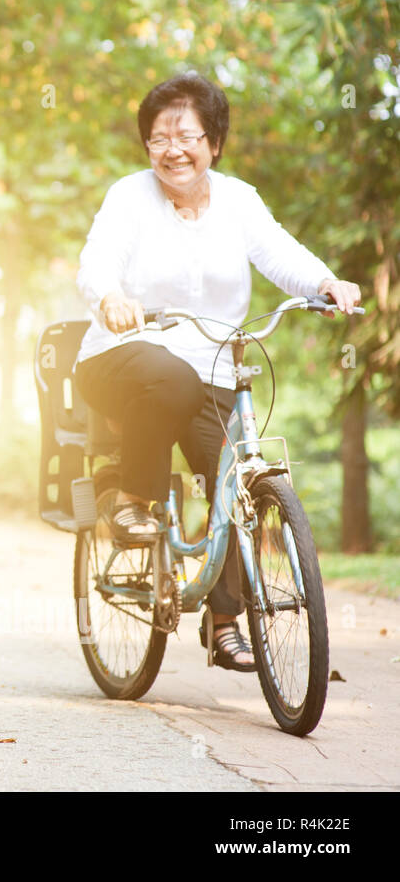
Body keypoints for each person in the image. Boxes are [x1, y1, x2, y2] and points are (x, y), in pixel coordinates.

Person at [73, 73, 361, 672]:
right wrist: (109, 298)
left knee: (237, 478)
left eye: (187, 136)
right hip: (121, 356)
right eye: (158, 139)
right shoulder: (130, 196)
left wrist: (326, 282)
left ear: (215, 142)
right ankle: (132, 498)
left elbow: (281, 254)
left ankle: (225, 621)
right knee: (170, 377)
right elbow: (97, 260)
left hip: (211, 370)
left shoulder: (239, 200)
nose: (172, 150)